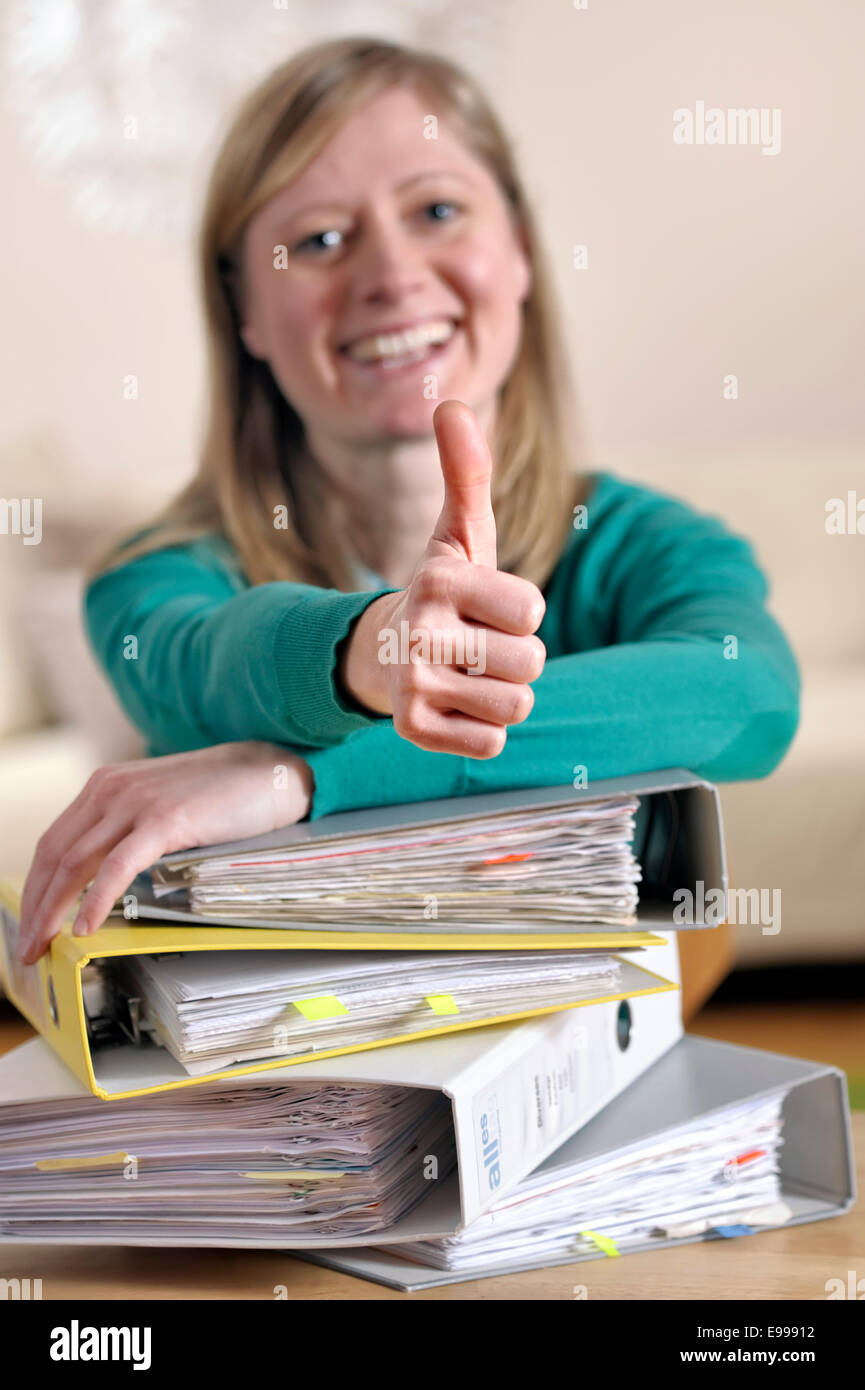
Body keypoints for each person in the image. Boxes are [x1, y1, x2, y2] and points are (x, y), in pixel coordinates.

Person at [16, 37, 799, 965]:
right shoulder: (149, 579)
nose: (389, 276)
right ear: (246, 313)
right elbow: (210, 662)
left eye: (436, 209)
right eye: (318, 240)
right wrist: (373, 651)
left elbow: (747, 695)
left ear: (518, 253)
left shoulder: (649, 543)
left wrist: (301, 774)